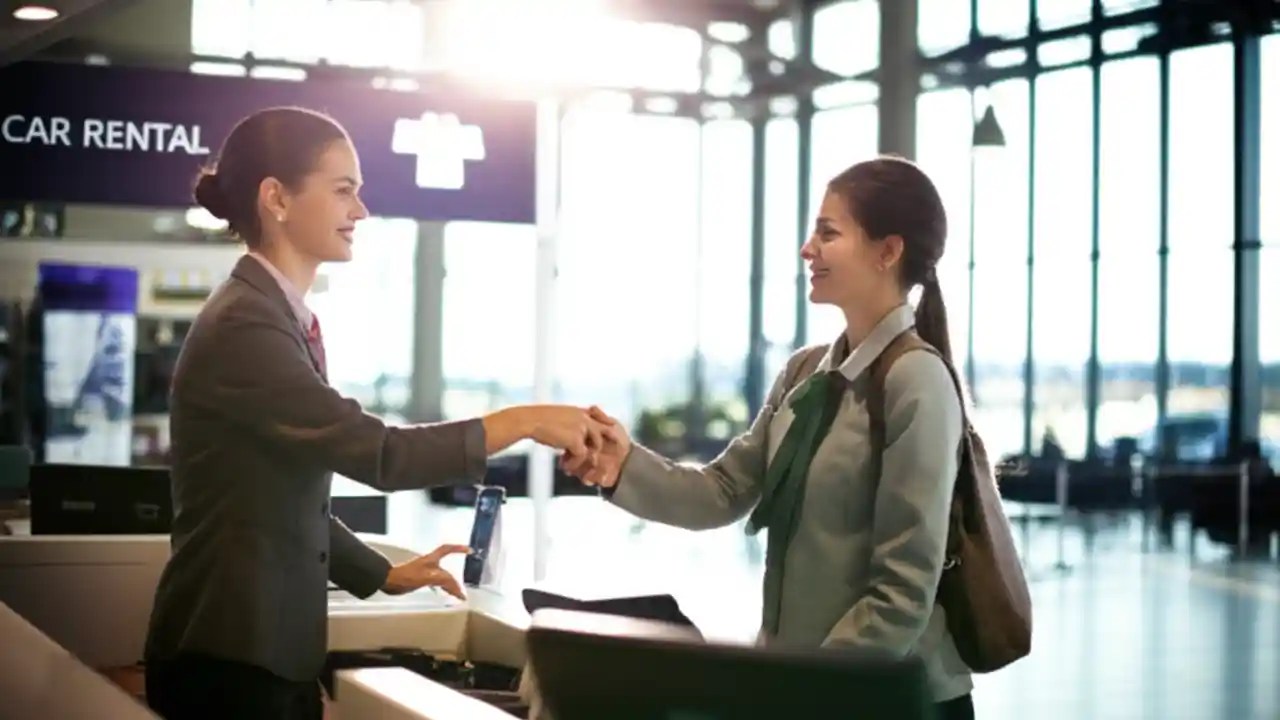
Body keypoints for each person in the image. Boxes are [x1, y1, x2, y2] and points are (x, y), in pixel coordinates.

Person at [143, 106, 611, 720]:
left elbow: (278, 493)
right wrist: (523, 421)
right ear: (276, 198)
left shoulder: (280, 316)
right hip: (230, 663)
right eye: (344, 192)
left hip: (257, 655)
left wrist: (382, 573)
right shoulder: (246, 324)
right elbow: (381, 455)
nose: (360, 211)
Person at [564, 156, 976, 719]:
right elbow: (723, 491)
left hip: (885, 699)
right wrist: (623, 465)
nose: (809, 249)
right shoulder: (806, 374)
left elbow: (903, 592)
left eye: (828, 233)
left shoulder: (917, 381)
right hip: (810, 689)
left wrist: (805, 690)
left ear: (888, 251)